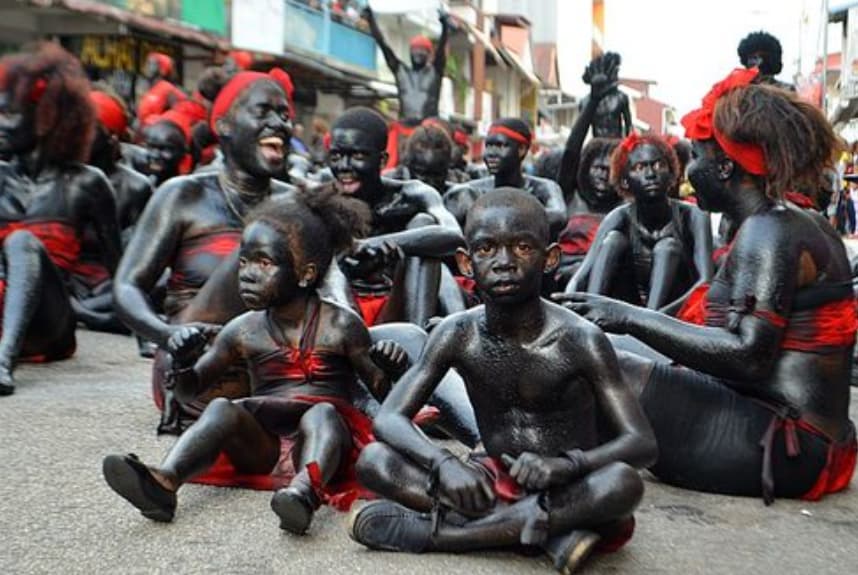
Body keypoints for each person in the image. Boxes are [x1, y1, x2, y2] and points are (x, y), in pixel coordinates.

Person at [555, 68, 857, 504]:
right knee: (585, 341)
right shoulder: (783, 220)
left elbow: (748, 357)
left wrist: (628, 316)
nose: (688, 170)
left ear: (724, 165)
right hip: (801, 438)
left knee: (587, 362)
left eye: (695, 156)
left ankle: (514, 474)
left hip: (789, 446)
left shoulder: (770, 229)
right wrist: (608, 320)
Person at [350, 189, 656, 574]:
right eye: (486, 249)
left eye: (523, 248)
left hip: (568, 488)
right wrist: (445, 463)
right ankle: (543, 531)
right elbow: (390, 418)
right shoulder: (457, 333)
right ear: (465, 262)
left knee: (621, 485)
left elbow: (642, 444)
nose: (504, 263)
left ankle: (446, 536)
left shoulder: (581, 339)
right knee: (375, 460)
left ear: (551, 259)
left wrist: (569, 466)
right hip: (491, 479)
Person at [103, 190, 409, 533]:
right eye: (244, 260)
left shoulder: (341, 325)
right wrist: (183, 363)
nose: (247, 273)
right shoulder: (242, 330)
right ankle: (164, 481)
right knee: (221, 408)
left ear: (306, 274)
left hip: (326, 445)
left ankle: (305, 494)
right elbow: (190, 391)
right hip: (264, 445)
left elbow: (382, 393)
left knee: (322, 414)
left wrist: (391, 369)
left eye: (264, 263)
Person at [113, 70, 296, 433]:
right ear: (224, 125)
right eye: (263, 112)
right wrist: (167, 336)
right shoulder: (182, 195)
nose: (278, 123)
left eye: (285, 115)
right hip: (195, 367)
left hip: (275, 371)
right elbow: (126, 289)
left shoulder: (294, 200)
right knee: (262, 237)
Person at [0, 43, 121, 394]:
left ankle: (3, 361)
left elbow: (125, 281)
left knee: (22, 242)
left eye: (9, 114)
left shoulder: (88, 183)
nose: (1, 124)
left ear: (46, 117)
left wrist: (145, 337)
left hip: (49, 324)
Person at [327, 107, 463, 328]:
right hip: (342, 308)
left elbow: (454, 237)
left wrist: (373, 245)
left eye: (357, 156)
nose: (344, 167)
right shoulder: (321, 199)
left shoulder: (411, 194)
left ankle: (417, 340)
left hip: (402, 301)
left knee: (424, 225)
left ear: (382, 160)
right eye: (336, 156)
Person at [564, 133, 713, 311]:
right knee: (613, 241)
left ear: (672, 173)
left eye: (659, 165)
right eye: (640, 167)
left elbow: (705, 281)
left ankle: (650, 317)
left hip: (673, 312)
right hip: (631, 305)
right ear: (625, 181)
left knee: (667, 248)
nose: (651, 174)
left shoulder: (693, 215)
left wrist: (653, 319)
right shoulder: (619, 217)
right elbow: (582, 274)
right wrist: (569, 305)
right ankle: (593, 311)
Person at [73, 88, 154, 333]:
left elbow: (143, 257)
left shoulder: (135, 186)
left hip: (107, 282)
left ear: (112, 137)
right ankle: (88, 311)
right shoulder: (63, 175)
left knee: (154, 282)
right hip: (67, 280)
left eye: (89, 127)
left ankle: (81, 312)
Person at [555, 54, 624, 287]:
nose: (604, 175)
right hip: (562, 281)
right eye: (598, 168)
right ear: (585, 169)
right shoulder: (569, 195)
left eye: (610, 169)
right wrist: (594, 100)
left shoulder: (623, 206)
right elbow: (571, 151)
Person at [444, 118, 566, 237]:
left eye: (500, 146)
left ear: (521, 149)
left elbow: (558, 216)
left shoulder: (543, 188)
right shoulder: (470, 191)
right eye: (488, 146)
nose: (491, 153)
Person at [363, 6, 451, 168]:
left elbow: (441, 49)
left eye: (422, 50)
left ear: (428, 54)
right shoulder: (400, 70)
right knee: (392, 167)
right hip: (402, 129)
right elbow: (383, 44)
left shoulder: (435, 71)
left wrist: (445, 25)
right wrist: (371, 20)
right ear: (410, 53)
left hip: (428, 130)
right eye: (415, 50)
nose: (418, 53)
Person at [576, 52, 631, 139]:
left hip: (615, 146)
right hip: (598, 147)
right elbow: (579, 133)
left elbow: (629, 128)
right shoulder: (585, 103)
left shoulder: (621, 98)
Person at [136, 51, 186, 126]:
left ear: (162, 69)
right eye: (148, 63)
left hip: (159, 131)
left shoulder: (168, 89)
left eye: (151, 64)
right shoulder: (149, 87)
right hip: (144, 129)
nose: (147, 67)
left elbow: (178, 113)